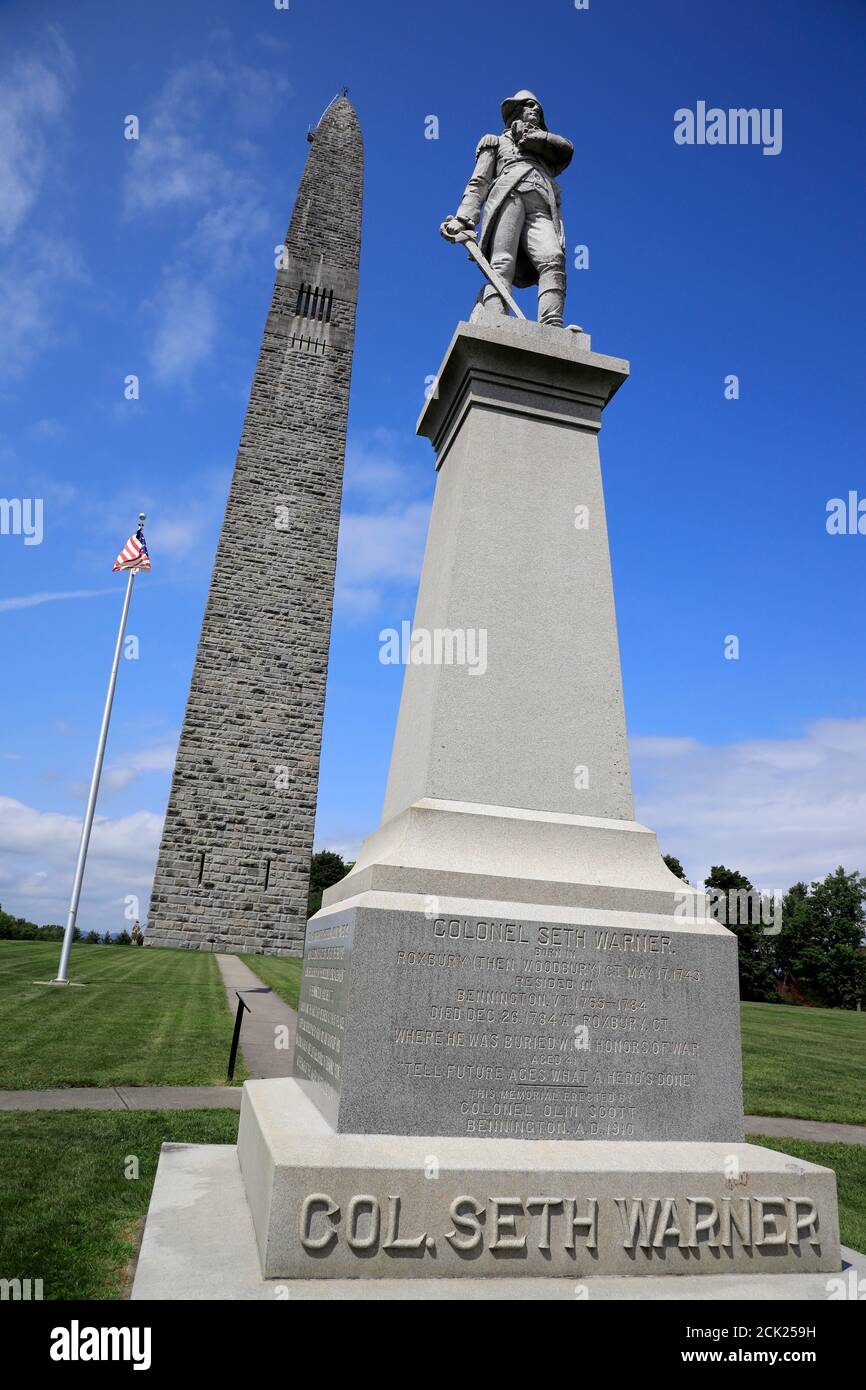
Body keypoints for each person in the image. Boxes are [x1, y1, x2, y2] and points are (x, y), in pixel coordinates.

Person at [442, 91, 573, 327]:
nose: (535, 110)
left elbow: (566, 149)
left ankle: (552, 323)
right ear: (516, 110)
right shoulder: (495, 141)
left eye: (538, 108)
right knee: (502, 262)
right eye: (529, 105)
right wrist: (463, 218)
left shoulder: (544, 152)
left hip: (542, 203)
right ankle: (496, 318)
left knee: (554, 258)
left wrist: (533, 139)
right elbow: (479, 182)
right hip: (507, 196)